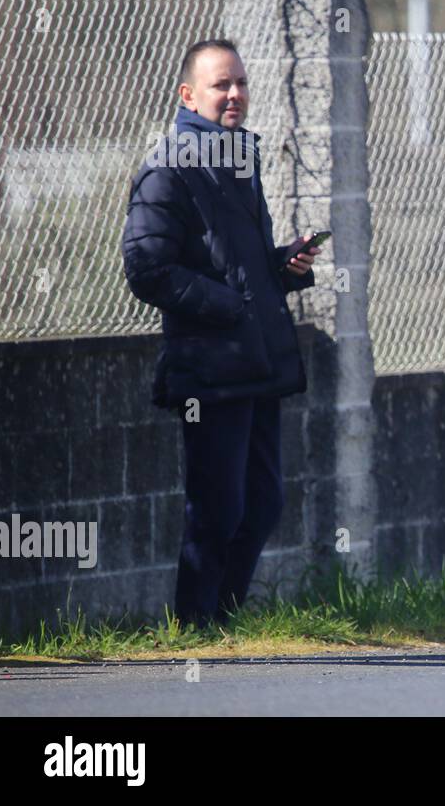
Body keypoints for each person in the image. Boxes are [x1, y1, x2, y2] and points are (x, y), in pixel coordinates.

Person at [122, 38, 321, 628]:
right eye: (220, 85)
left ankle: (221, 622)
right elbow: (146, 268)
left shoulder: (236, 158)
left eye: (239, 83)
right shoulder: (167, 167)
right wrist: (229, 304)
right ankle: (193, 626)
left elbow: (236, 264)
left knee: (261, 504)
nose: (234, 94)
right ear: (188, 95)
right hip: (207, 369)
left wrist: (282, 267)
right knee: (217, 506)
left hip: (253, 362)